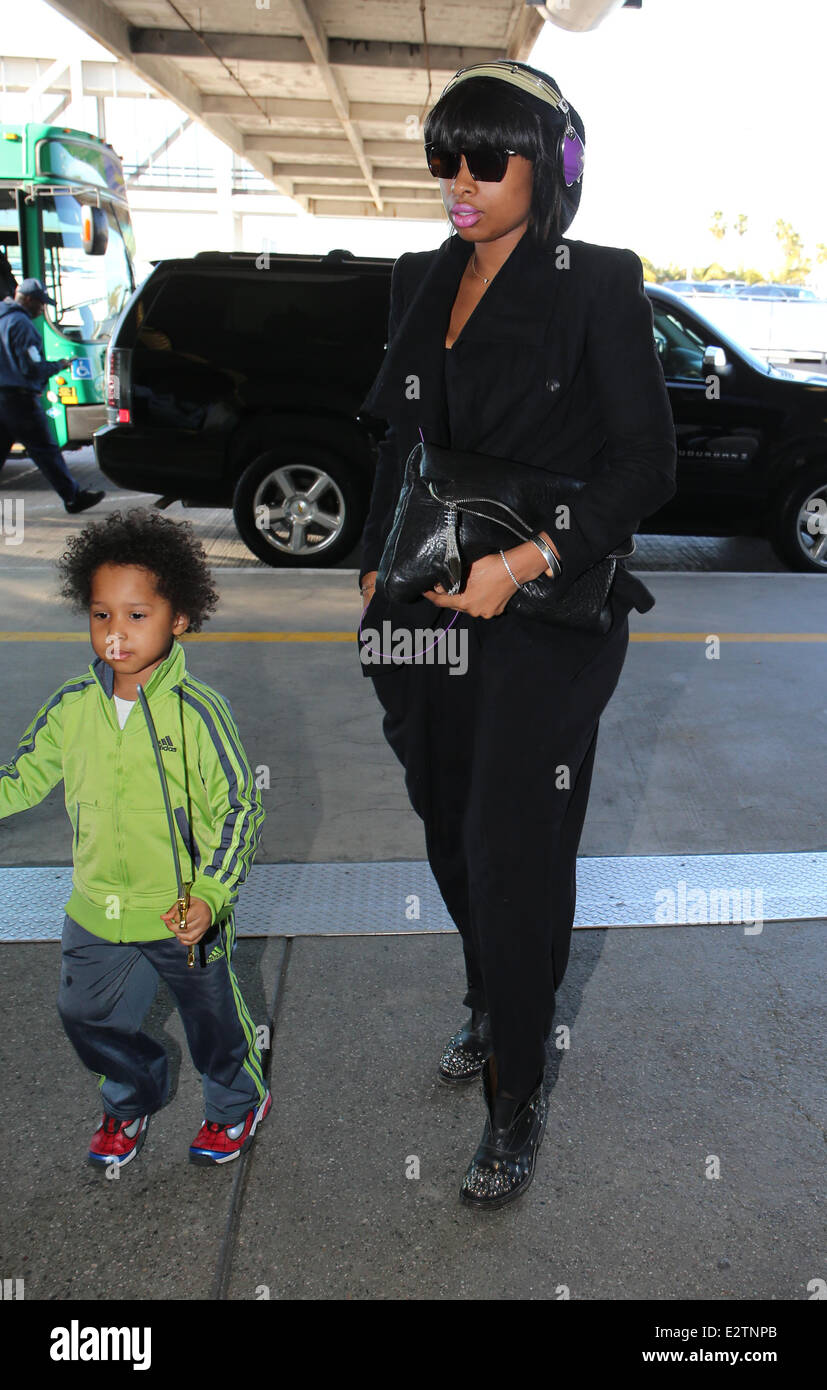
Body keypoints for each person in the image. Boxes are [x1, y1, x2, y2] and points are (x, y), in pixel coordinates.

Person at [357, 61, 678, 1210]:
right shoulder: (417, 277)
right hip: (422, 603)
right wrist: (368, 573)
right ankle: (492, 991)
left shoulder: (594, 281)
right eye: (442, 156)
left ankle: (515, 1089)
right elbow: (401, 440)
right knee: (447, 828)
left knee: (512, 847)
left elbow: (646, 464)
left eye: (485, 158)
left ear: (549, 169)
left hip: (544, 607)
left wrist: (524, 559)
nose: (458, 180)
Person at [0, 508, 269, 1168]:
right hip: (96, 908)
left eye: (136, 615)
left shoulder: (200, 714)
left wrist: (210, 896)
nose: (116, 633)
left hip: (183, 912)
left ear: (179, 618)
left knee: (214, 1023)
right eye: (101, 615)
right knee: (85, 1016)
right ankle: (130, 1098)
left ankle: (235, 1104)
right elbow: (23, 776)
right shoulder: (70, 706)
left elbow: (239, 809)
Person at [0, 278, 105, 512]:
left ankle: (72, 496)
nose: (42, 309)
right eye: (40, 304)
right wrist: (60, 365)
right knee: (45, 450)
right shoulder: (22, 325)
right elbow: (31, 368)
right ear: (27, 300)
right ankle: (73, 498)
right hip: (20, 401)